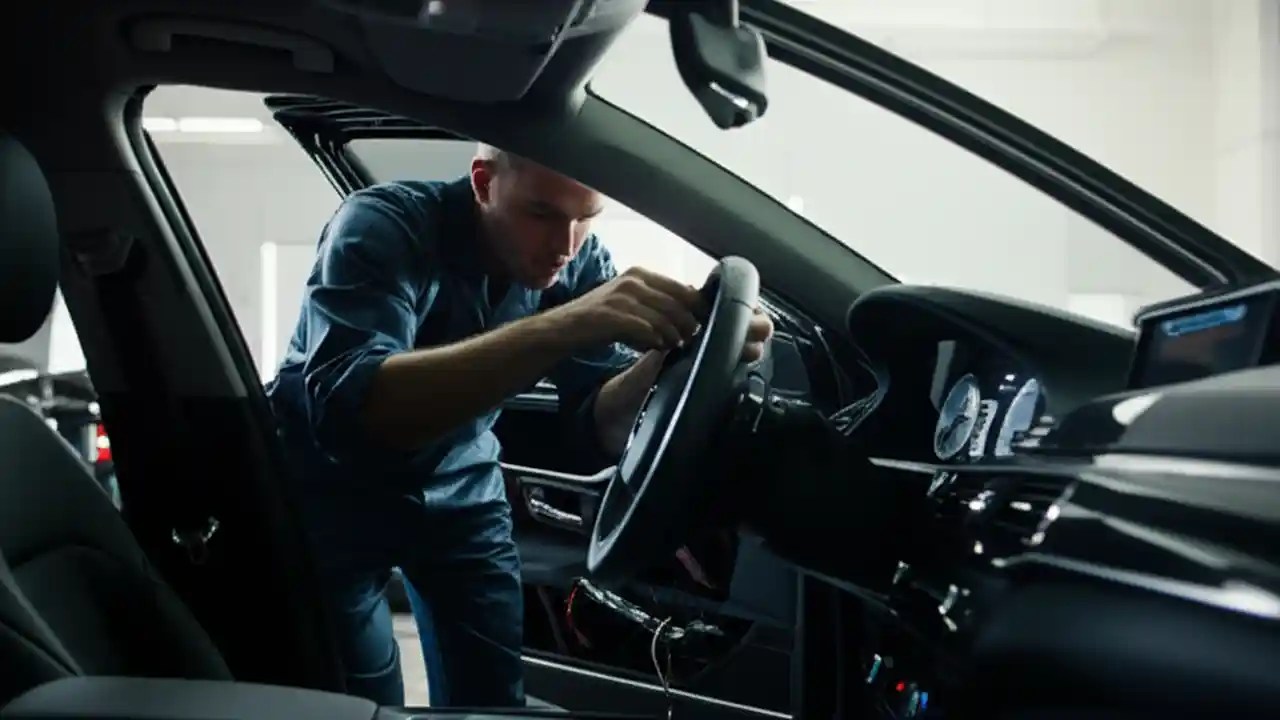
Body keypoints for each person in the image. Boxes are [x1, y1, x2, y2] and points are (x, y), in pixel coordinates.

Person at [264, 144, 773, 708]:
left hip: (462, 483)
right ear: (483, 183)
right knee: (360, 697)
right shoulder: (382, 225)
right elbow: (354, 414)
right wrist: (564, 325)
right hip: (328, 488)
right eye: (542, 214)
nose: (566, 244)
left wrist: (671, 356)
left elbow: (595, 425)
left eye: (587, 218)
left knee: (492, 697)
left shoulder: (578, 260)